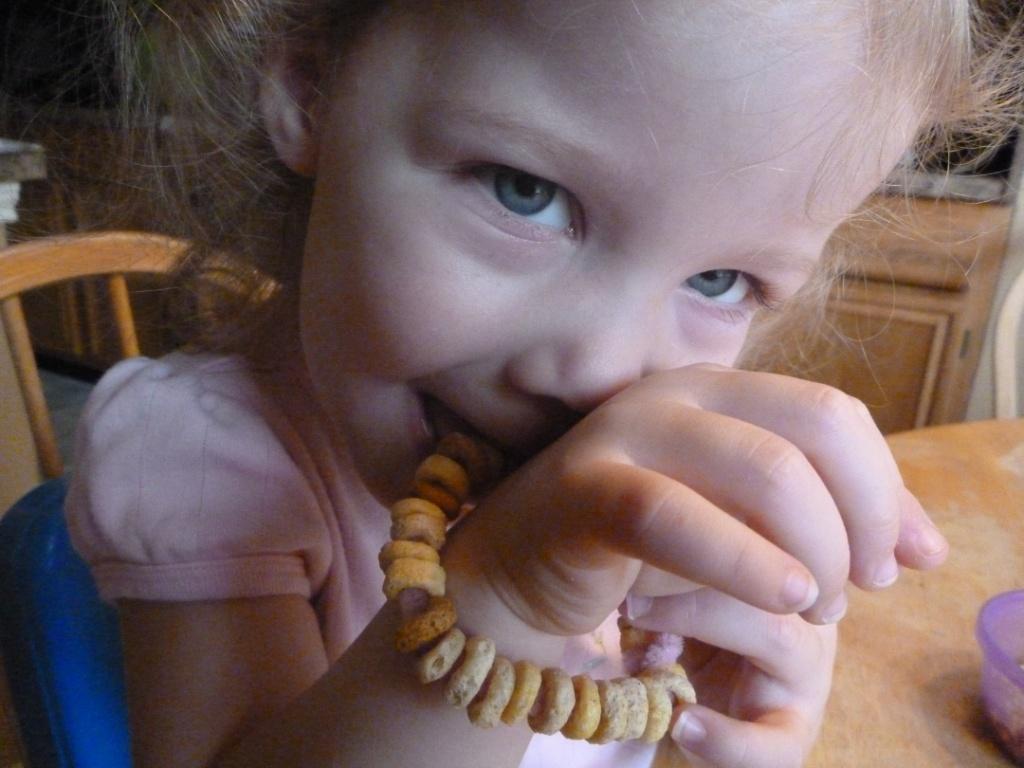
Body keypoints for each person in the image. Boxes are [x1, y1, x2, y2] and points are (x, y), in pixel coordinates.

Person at [65, 1, 1021, 766]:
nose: (605, 373)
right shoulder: (204, 455)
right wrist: (512, 601)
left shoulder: (632, 484)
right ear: (314, 88)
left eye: (719, 281)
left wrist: (715, 709)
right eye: (527, 191)